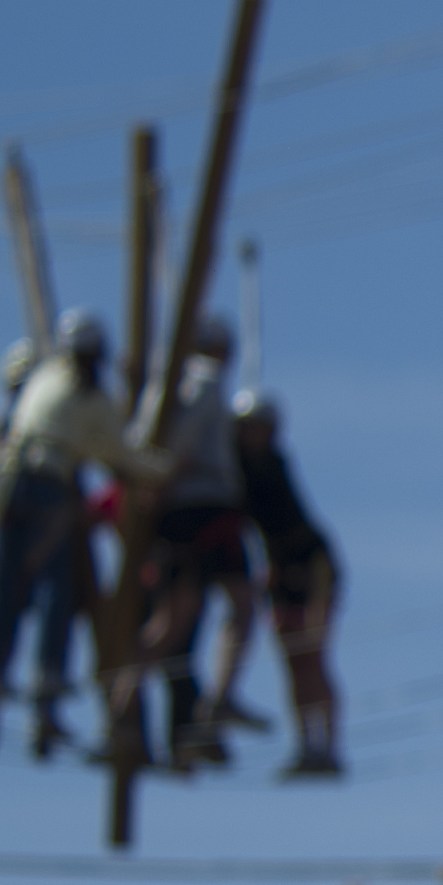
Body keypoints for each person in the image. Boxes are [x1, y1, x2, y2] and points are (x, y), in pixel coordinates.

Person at [0, 313, 155, 759]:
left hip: (14, 494)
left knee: (5, 603)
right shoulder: (85, 395)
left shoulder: (37, 395)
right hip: (46, 491)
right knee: (56, 595)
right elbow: (115, 452)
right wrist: (158, 468)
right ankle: (39, 698)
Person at [133, 313, 262, 771]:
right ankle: (217, 699)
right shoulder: (202, 381)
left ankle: (124, 694)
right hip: (206, 509)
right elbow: (177, 441)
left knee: (177, 619)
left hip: (184, 511)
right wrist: (169, 471)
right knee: (239, 607)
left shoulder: (165, 383)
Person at [224, 390, 344, 781]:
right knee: (292, 662)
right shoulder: (242, 467)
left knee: (313, 654)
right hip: (280, 571)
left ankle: (328, 747)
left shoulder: (270, 468)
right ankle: (306, 746)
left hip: (311, 566)